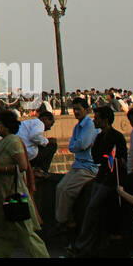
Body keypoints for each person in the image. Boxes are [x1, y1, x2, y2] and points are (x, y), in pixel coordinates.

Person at [0, 107, 49, 257]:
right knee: (0, 234)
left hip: (13, 193)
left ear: (6, 125)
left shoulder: (13, 142)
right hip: (0, 193)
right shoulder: (3, 142)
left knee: (26, 232)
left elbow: (21, 166)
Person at [70, 105, 127, 257]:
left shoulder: (116, 137)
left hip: (111, 180)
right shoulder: (100, 137)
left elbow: (117, 160)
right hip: (101, 177)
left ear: (105, 120)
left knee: (91, 210)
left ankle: (81, 244)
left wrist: (106, 157)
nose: (94, 121)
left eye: (97, 118)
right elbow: (98, 158)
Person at [55, 97, 97, 237]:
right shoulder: (77, 127)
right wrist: (75, 145)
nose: (76, 112)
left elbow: (81, 144)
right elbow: (74, 145)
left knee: (67, 190)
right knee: (60, 188)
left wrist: (75, 145)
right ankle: (64, 219)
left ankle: (64, 221)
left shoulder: (89, 125)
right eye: (75, 109)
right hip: (78, 164)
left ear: (86, 110)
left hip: (88, 166)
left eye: (79, 109)